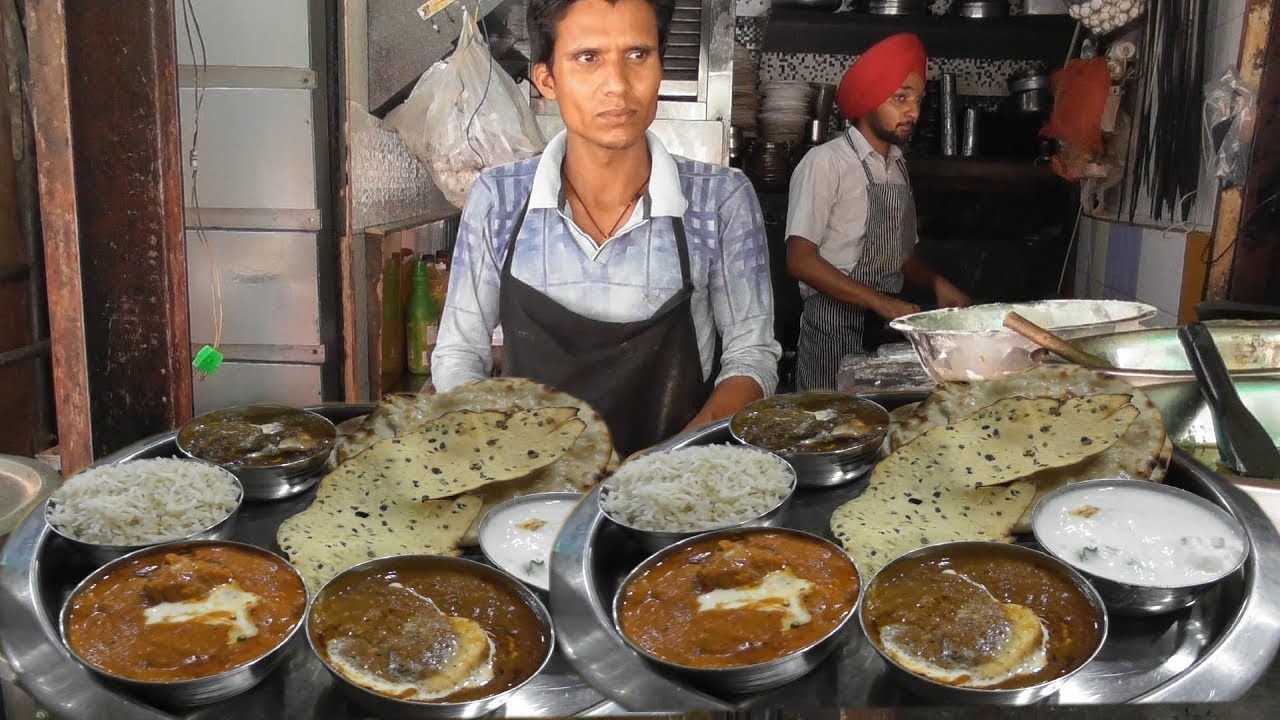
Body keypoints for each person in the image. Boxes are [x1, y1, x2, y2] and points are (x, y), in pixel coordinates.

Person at [431, 0, 780, 456]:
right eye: (588, 58)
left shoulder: (720, 200)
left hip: (675, 493)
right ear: (547, 80)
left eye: (638, 55)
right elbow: (459, 355)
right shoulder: (499, 200)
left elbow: (752, 360)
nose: (617, 86)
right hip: (530, 493)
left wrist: (666, 463)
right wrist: (502, 455)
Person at [785, 33, 970, 391]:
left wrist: (936, 283)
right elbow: (800, 260)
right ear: (869, 99)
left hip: (882, 331)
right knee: (830, 429)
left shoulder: (898, 167)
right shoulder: (826, 163)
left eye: (918, 99)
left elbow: (900, 255)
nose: (914, 112)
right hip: (832, 332)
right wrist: (881, 302)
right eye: (901, 98)